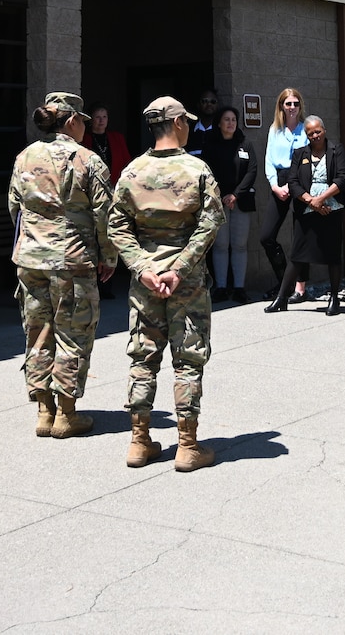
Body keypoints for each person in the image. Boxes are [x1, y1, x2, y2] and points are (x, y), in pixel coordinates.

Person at [109, 96, 223, 471]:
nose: (188, 126)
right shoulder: (197, 170)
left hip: (146, 284)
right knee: (188, 361)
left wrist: (143, 268)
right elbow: (209, 224)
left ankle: (139, 442)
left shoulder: (131, 172)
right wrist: (180, 268)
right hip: (185, 282)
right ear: (176, 123)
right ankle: (187, 446)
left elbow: (117, 226)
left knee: (142, 359)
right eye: (185, 121)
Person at [8, 91, 117, 439]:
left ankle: (44, 410)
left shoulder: (24, 157)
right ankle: (66, 413)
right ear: (71, 120)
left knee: (37, 332)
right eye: (82, 121)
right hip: (72, 260)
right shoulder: (87, 160)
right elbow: (104, 215)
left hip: (30, 259)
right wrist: (109, 255)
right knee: (73, 333)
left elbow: (15, 207)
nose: (84, 127)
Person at [265, 115, 345, 315]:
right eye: (310, 133)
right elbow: (293, 181)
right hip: (306, 208)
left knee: (332, 255)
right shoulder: (300, 153)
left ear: (324, 130)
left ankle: (334, 298)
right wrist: (312, 202)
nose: (314, 135)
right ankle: (282, 298)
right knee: (297, 255)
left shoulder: (336, 150)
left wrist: (322, 199)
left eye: (317, 131)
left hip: (331, 208)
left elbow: (343, 177)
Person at [198, 104, 258, 303]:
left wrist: (235, 195)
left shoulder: (245, 144)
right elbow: (206, 171)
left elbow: (252, 171)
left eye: (233, 120)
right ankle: (221, 287)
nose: (231, 123)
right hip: (218, 201)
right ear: (219, 123)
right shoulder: (210, 144)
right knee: (220, 245)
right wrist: (222, 195)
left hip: (240, 200)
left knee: (240, 245)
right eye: (227, 120)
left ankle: (239, 287)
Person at [257, 88, 309, 301]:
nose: (292, 107)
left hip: (301, 181)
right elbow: (268, 159)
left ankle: (300, 289)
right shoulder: (274, 130)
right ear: (281, 106)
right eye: (288, 104)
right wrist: (275, 185)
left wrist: (293, 184)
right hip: (278, 181)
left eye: (296, 103)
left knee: (301, 236)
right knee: (267, 236)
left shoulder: (306, 128)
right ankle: (285, 283)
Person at [84, 104, 133, 181]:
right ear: (90, 119)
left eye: (104, 117)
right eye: (98, 117)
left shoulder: (118, 138)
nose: (101, 120)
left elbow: (127, 162)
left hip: (116, 182)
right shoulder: (84, 139)